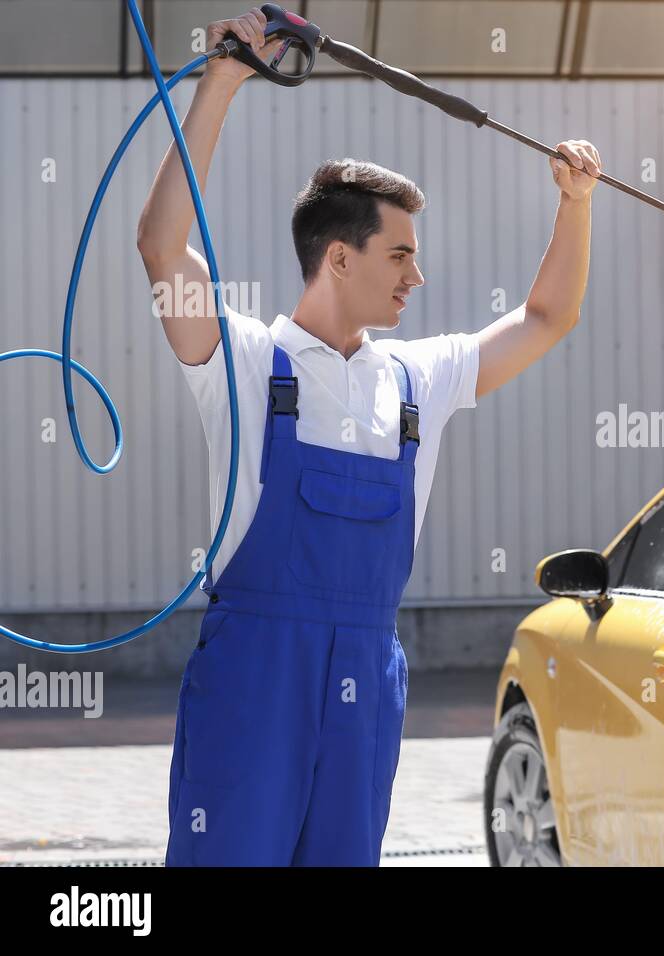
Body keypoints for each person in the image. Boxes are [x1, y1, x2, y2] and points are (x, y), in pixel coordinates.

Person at [135, 7, 600, 865]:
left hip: (365, 685)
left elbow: (548, 316)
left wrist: (574, 207)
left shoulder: (417, 379)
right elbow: (164, 249)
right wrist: (223, 80)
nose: (417, 277)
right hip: (255, 680)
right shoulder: (241, 361)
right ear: (339, 258)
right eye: (399, 256)